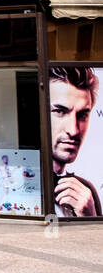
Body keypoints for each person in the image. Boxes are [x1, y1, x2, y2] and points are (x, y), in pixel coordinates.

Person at [49, 67, 102, 217]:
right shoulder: (14, 184)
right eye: (60, 111)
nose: (73, 130)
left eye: (82, 115)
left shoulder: (87, 191)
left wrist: (89, 216)